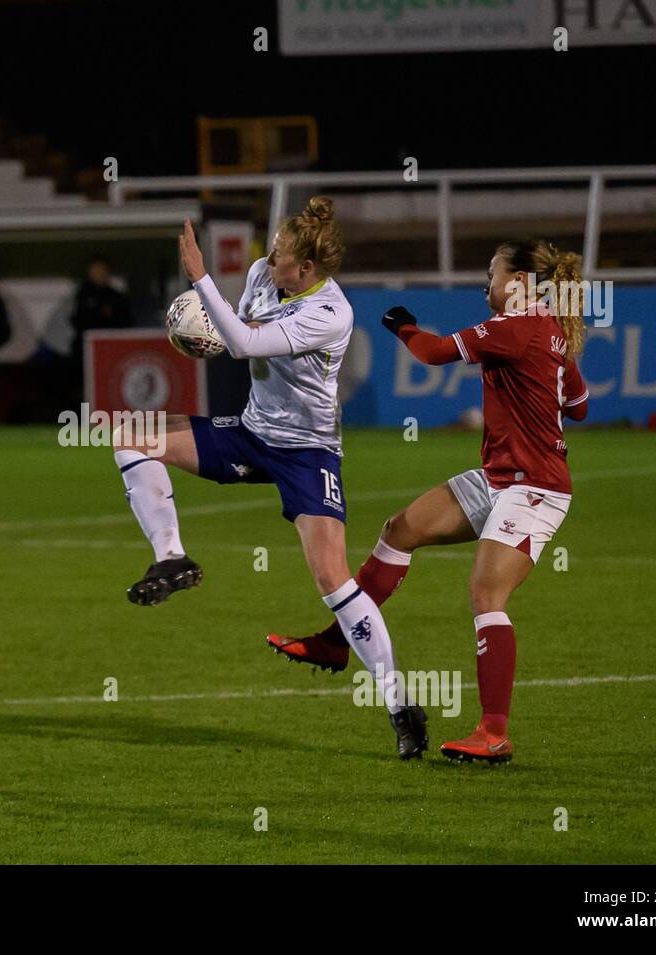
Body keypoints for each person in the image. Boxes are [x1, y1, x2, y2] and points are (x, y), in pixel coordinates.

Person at [112, 199, 428, 760]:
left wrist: (201, 279)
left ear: (305, 270)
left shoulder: (333, 313)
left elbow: (245, 344)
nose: (268, 258)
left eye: (280, 255)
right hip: (253, 432)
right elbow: (232, 328)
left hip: (307, 453)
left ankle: (402, 706)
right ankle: (172, 559)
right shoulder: (263, 274)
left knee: (333, 580)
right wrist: (198, 330)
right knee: (133, 436)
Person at [270, 239, 589, 765]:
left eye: (493, 270)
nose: (486, 280)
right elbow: (578, 406)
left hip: (535, 489)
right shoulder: (548, 331)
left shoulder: (515, 328)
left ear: (520, 282)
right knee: (400, 529)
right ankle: (335, 641)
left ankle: (494, 731)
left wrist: (403, 326)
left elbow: (434, 352)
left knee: (487, 595)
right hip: (498, 478)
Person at [70, 255, 133, 365]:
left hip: (112, 347)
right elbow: (79, 320)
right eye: (95, 270)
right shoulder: (82, 295)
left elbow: (126, 320)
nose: (99, 274)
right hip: (86, 351)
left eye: (102, 270)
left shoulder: (116, 297)